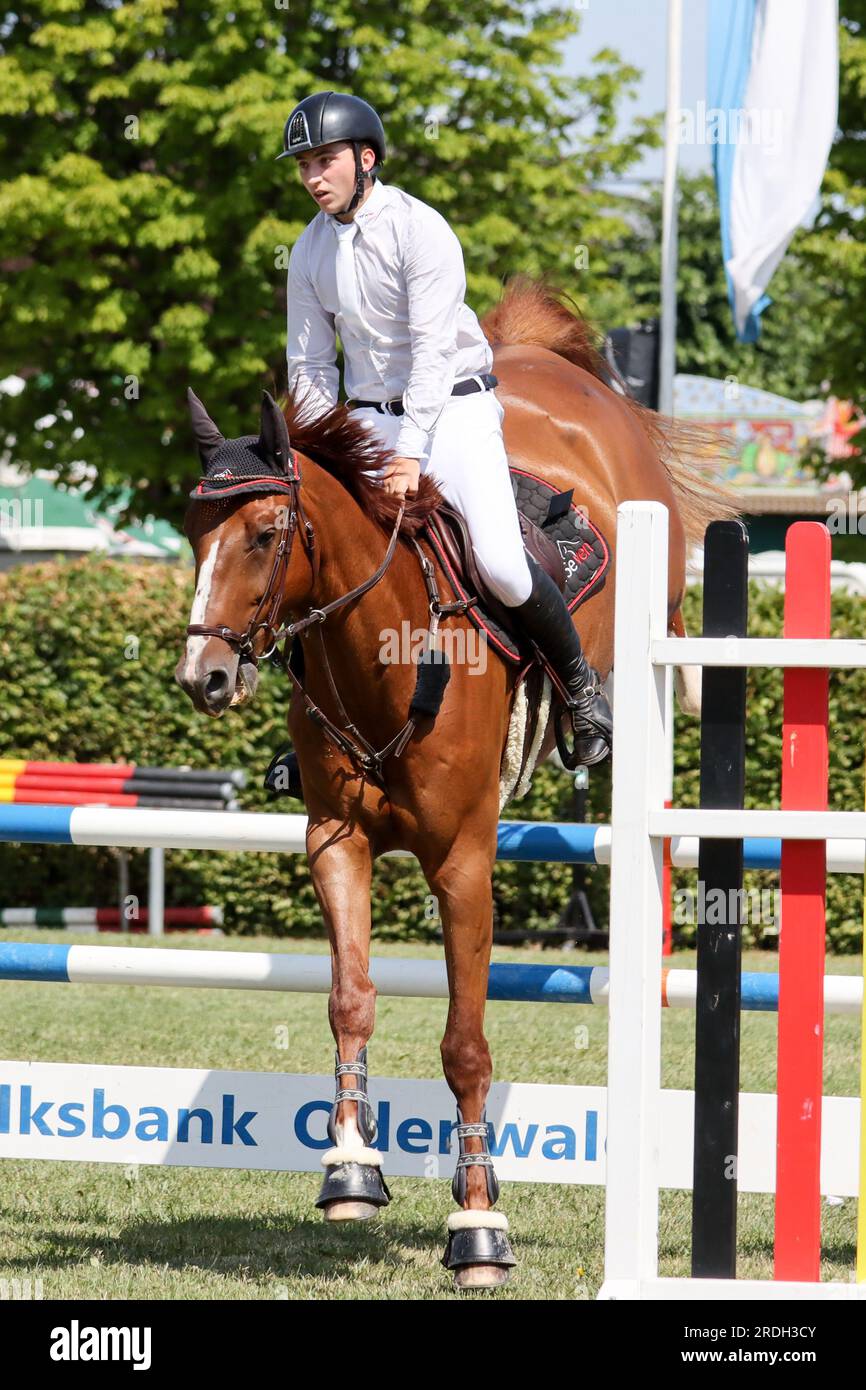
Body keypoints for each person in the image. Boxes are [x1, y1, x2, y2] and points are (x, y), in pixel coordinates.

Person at [278, 90, 612, 768]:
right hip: (368, 417)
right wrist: (311, 453)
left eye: (325, 161)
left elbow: (432, 353)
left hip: (454, 409)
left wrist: (409, 454)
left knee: (497, 563)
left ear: (365, 159)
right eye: (305, 165)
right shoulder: (308, 251)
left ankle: (580, 688)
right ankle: (314, 733)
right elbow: (310, 363)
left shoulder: (419, 229)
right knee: (315, 554)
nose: (314, 177)